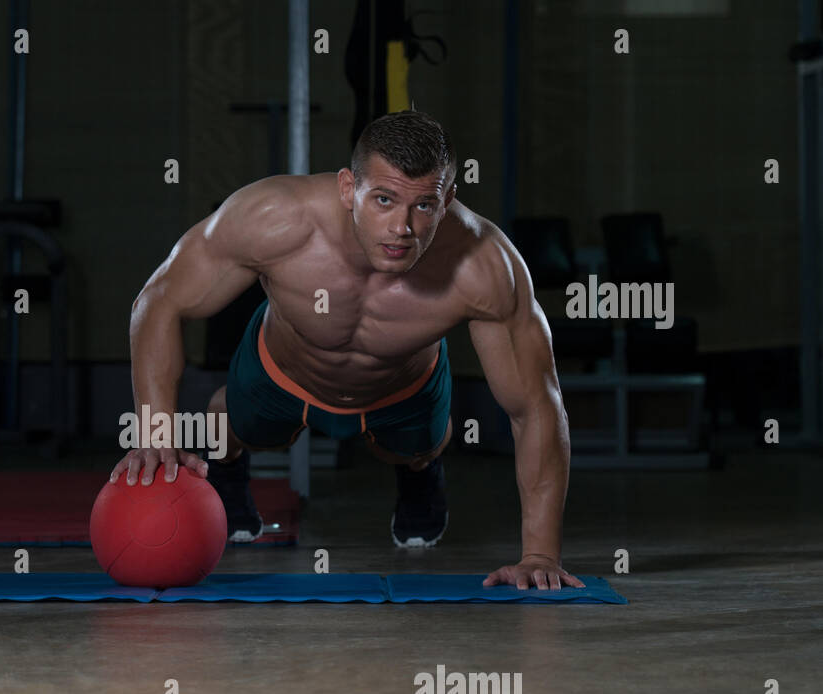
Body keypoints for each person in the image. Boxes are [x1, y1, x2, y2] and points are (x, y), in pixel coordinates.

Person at [111, 110, 583, 591]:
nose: (402, 227)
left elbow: (535, 406)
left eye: (424, 206)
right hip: (283, 369)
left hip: (404, 386)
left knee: (421, 446)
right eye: (383, 199)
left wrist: (540, 554)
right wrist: (155, 434)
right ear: (346, 188)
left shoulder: (484, 265)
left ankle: (420, 472)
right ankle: (230, 473)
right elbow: (159, 301)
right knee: (225, 426)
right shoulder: (275, 219)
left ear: (448, 202)